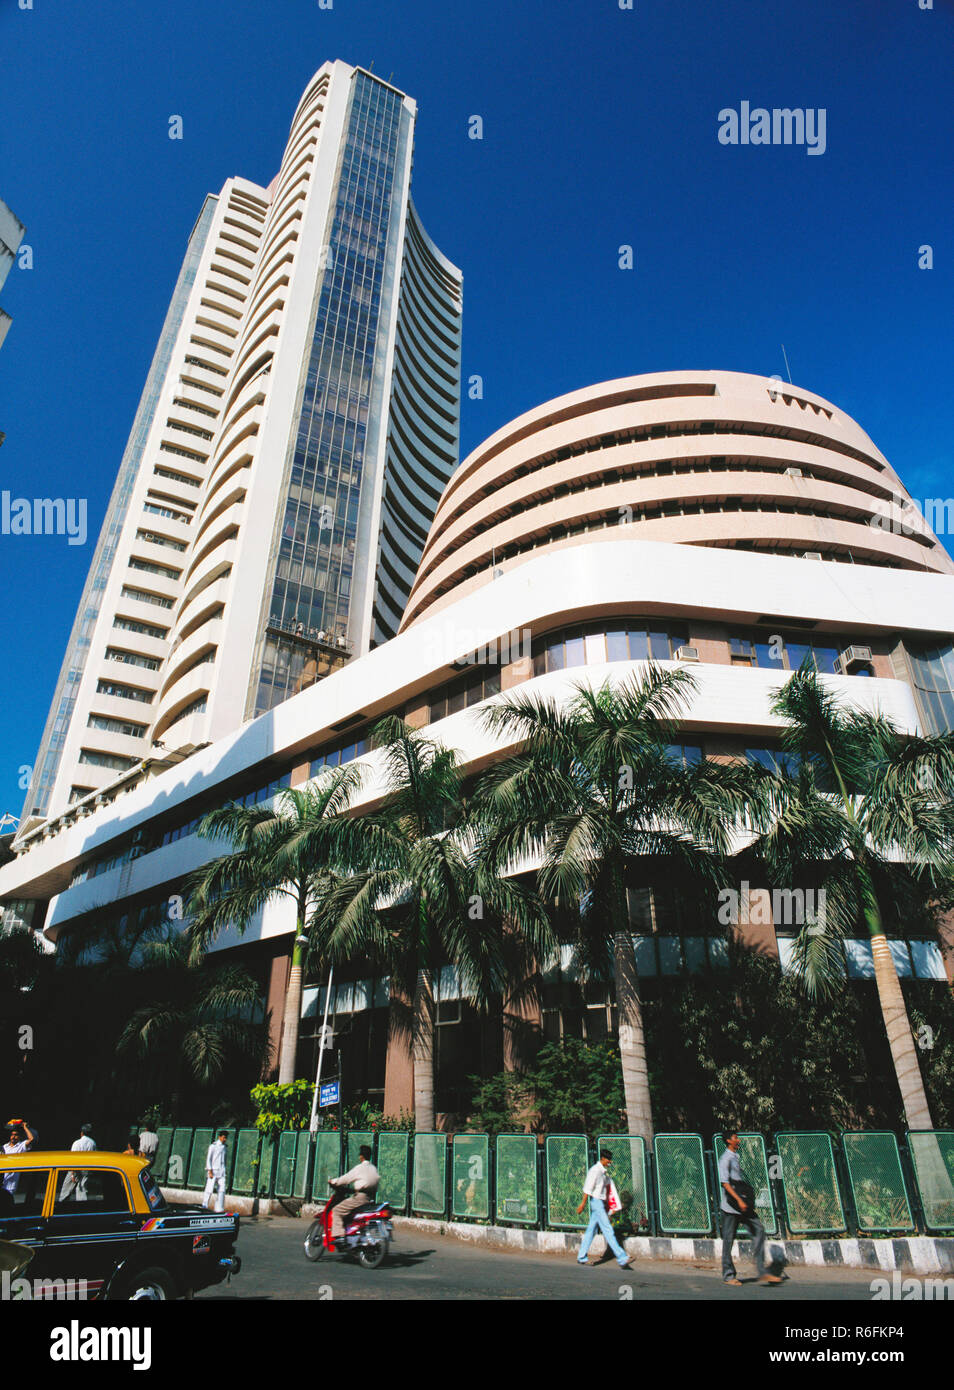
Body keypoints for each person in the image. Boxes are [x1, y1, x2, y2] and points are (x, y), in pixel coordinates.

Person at [718, 1130, 782, 1286]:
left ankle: (762, 1271)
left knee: (759, 1230)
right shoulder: (725, 1159)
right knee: (728, 1240)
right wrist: (739, 1200)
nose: (738, 1140)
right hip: (731, 1207)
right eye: (735, 1138)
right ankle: (728, 1275)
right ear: (728, 1141)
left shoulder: (735, 1157)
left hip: (743, 1206)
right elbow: (725, 1183)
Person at [575, 1148, 631, 1269]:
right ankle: (622, 1258)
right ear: (603, 1159)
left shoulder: (603, 1172)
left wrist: (612, 1206)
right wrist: (582, 1205)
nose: (610, 1162)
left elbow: (607, 1190)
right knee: (607, 1229)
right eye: (608, 1160)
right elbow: (587, 1189)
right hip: (596, 1202)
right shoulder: (594, 1171)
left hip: (599, 1203)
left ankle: (581, 1256)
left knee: (591, 1230)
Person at [328, 1145, 379, 1243]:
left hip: (360, 1198)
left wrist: (334, 1181)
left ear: (361, 1156)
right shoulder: (373, 1168)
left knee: (337, 1210)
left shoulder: (360, 1168)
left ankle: (339, 1235)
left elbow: (346, 1178)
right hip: (370, 1199)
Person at [59, 1123, 96, 1201]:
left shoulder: (77, 1143)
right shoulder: (93, 1143)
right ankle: (81, 1208)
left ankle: (61, 1206)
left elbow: (73, 1159)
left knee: (66, 1191)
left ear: (81, 1133)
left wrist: (72, 1174)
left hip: (76, 1169)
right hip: (86, 1169)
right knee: (82, 1191)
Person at [2, 1121, 37, 1198]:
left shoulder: (21, 1146)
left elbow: (31, 1139)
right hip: (2, 1179)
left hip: (11, 1184)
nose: (13, 1137)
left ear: (20, 1136)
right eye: (12, 1135)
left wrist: (25, 1127)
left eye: (16, 1135)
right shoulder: (4, 1147)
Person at [203, 1131, 229, 1212]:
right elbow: (209, 1159)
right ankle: (204, 1206)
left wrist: (224, 1170)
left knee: (222, 1190)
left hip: (222, 1172)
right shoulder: (213, 1146)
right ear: (220, 1137)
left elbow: (224, 1160)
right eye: (224, 1137)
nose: (225, 1139)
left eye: (226, 1138)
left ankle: (219, 1208)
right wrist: (209, 1171)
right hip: (213, 1171)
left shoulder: (225, 1147)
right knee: (209, 1189)